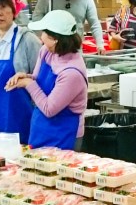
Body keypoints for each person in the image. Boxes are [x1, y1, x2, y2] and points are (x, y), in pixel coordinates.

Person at [5, 10, 88, 150]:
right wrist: (25, 77)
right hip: (40, 128)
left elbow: (49, 109)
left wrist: (28, 83)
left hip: (64, 134)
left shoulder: (72, 73)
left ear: (55, 39)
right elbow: (39, 81)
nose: (41, 36)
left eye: (44, 32)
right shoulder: (46, 51)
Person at [0, 0, 42, 144]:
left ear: (13, 11)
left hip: (18, 114)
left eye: (3, 7)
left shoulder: (28, 40)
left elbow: (40, 78)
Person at [31, 0, 102, 53]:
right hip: (52, 49)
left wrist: (100, 44)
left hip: (75, 49)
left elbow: (94, 23)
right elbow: (37, 16)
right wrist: (46, 36)